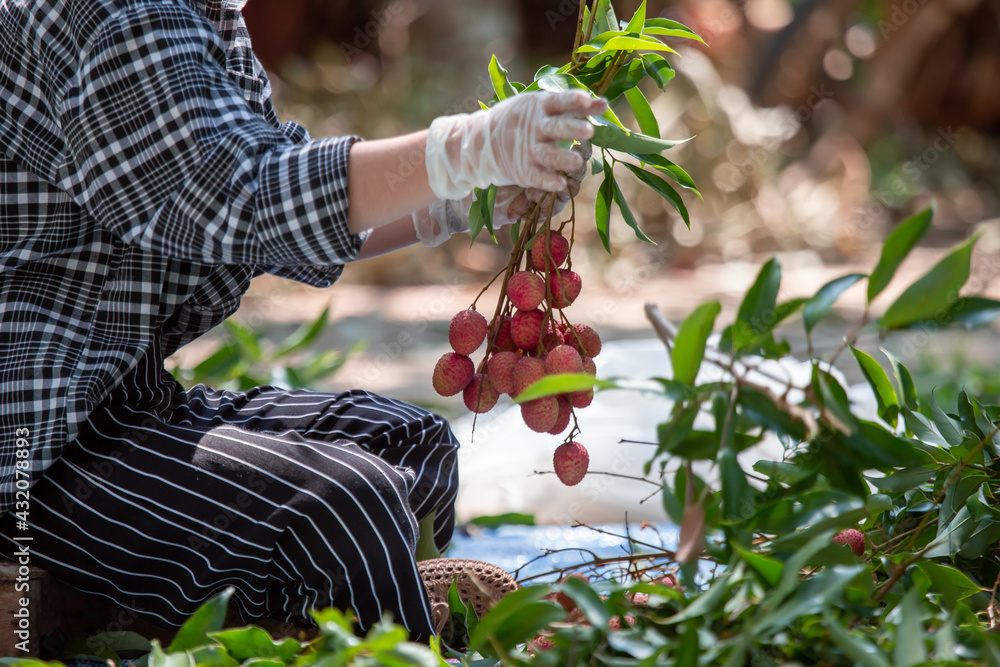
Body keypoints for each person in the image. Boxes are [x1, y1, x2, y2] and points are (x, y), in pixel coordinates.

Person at [0, 0, 606, 639]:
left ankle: (266, 611)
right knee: (348, 504)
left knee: (416, 446)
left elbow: (278, 198)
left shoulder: (203, 17)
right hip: (37, 449)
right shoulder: (119, 14)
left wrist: (452, 202)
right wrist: (458, 151)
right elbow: (240, 193)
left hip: (128, 400)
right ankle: (81, 609)